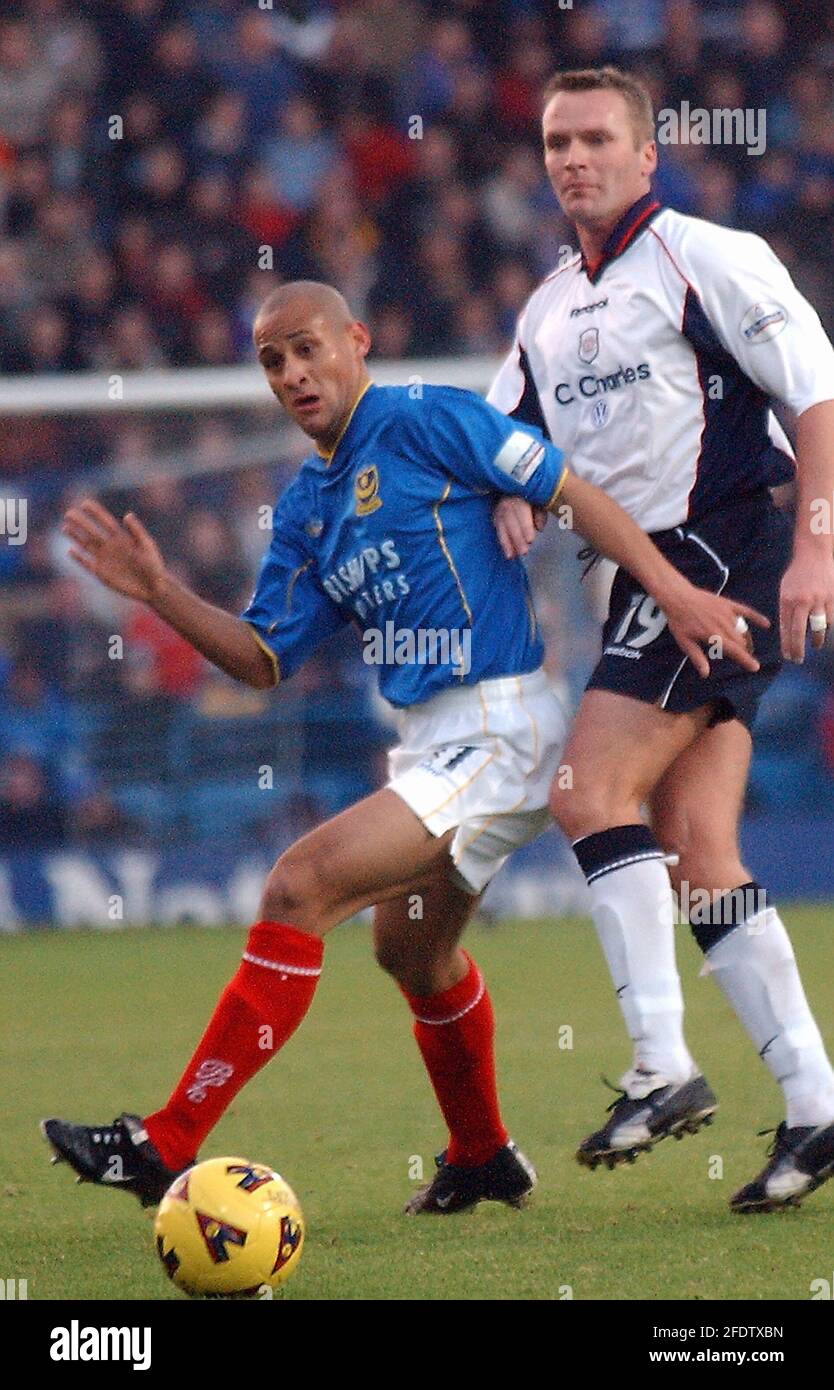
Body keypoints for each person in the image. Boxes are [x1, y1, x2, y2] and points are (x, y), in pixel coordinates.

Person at [42, 280, 761, 1216]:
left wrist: (666, 588)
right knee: (414, 957)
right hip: (428, 746)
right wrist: (160, 592)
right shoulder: (307, 507)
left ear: (357, 341)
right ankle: (483, 1156)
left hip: (505, 725)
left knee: (299, 885)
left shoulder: (430, 421)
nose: (293, 374)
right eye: (272, 362)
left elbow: (567, 489)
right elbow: (264, 660)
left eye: (306, 349)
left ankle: (163, 1142)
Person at [489, 66, 834, 1212]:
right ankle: (818, 1106)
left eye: (595, 139)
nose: (573, 158)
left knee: (588, 791)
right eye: (556, 143)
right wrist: (506, 493)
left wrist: (818, 545)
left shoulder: (710, 254)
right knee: (692, 843)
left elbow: (818, 394)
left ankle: (662, 1064)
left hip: (715, 556)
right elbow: (503, 441)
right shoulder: (547, 310)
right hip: (636, 580)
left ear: (647, 155)